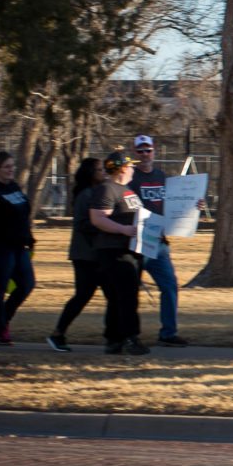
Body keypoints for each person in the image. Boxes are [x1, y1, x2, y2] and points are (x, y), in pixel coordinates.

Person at [128, 135, 193, 346]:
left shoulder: (162, 176)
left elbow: (174, 205)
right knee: (129, 290)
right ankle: (129, 333)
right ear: (135, 153)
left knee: (170, 286)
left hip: (159, 242)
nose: (145, 154)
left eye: (148, 150)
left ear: (154, 151)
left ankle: (168, 333)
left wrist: (193, 204)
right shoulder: (131, 178)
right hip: (137, 242)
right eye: (140, 151)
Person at [87, 150, 147, 355]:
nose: (133, 169)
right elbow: (98, 218)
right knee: (126, 296)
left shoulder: (126, 189)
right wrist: (123, 229)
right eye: (130, 165)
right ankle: (130, 338)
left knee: (119, 297)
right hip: (113, 252)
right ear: (122, 168)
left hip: (130, 250)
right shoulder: (107, 189)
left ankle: (114, 339)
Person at [0, 151, 35, 345]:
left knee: (27, 284)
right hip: (0, 249)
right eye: (7, 167)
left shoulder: (14, 188)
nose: (11, 170)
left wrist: (29, 240)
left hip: (19, 246)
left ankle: (4, 318)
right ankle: (1, 331)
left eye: (12, 166)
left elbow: (23, 215)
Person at [48, 158, 103, 352]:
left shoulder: (98, 192)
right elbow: (81, 224)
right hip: (85, 255)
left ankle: (116, 336)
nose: (102, 171)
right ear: (89, 173)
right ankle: (58, 333)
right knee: (82, 296)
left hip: (98, 253)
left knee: (112, 295)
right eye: (98, 169)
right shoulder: (85, 195)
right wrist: (103, 225)